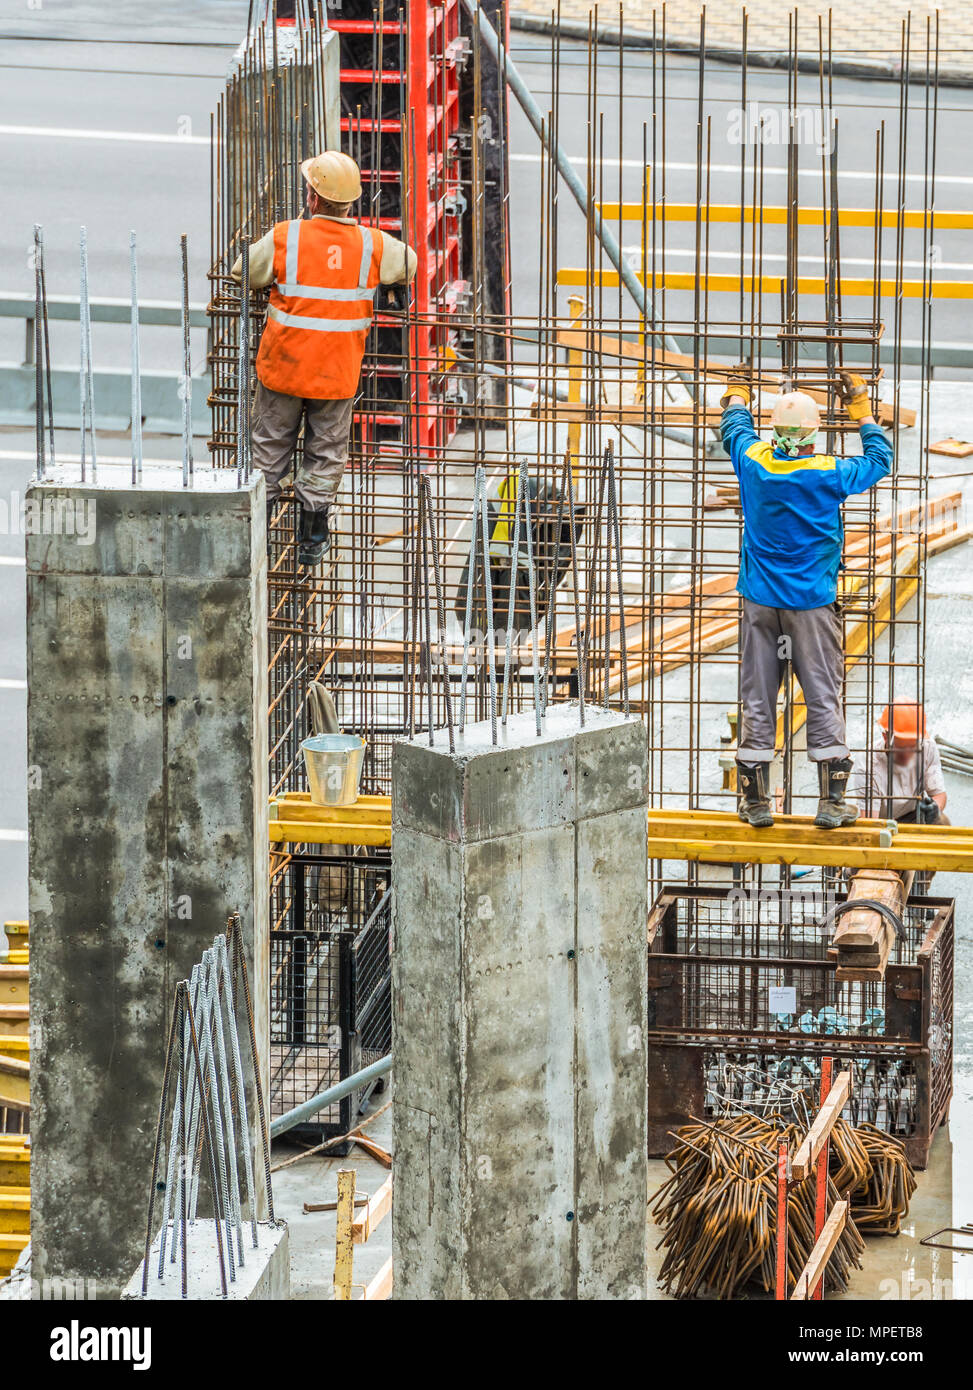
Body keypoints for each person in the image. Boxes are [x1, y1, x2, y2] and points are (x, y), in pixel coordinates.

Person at [720, 365, 893, 829]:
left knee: (758, 695)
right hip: (811, 607)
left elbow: (734, 428)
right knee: (821, 695)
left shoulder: (754, 462)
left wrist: (738, 392)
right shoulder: (828, 473)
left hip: (760, 603)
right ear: (815, 434)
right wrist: (861, 409)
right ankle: (832, 802)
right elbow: (880, 459)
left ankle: (755, 803)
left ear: (774, 430)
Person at [231, 150, 418, 565]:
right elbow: (410, 263)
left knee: (268, 446)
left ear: (313, 197)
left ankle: (255, 532)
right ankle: (313, 536)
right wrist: (391, 285)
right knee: (327, 450)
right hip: (336, 375)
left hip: (283, 369)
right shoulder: (372, 243)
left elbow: (241, 272)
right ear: (350, 202)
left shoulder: (287, 236)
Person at [851, 702, 949, 824]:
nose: (907, 754)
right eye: (901, 748)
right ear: (885, 737)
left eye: (912, 746)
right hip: (882, 820)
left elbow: (939, 795)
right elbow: (870, 823)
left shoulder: (927, 748)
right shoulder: (867, 763)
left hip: (913, 814)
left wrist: (934, 809)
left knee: (942, 821)